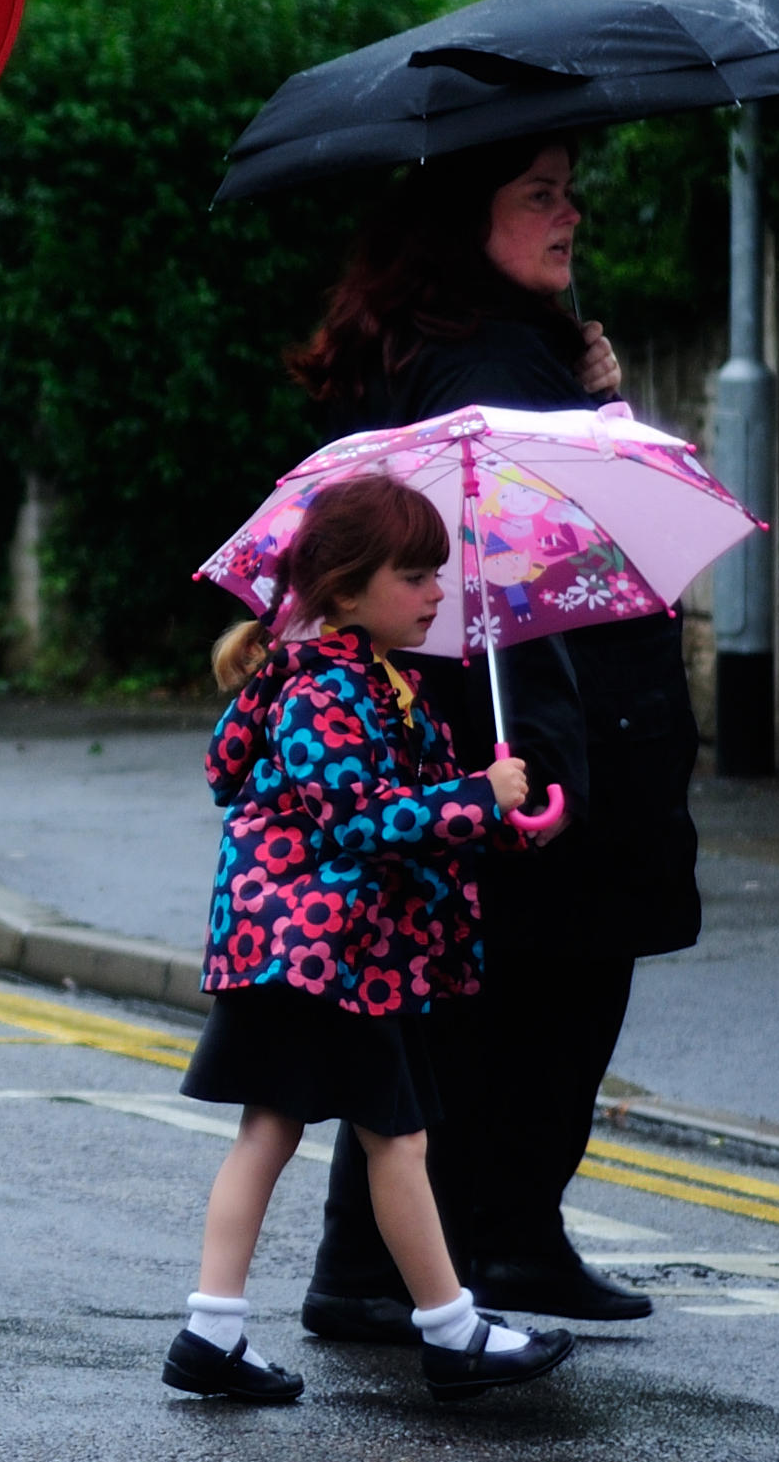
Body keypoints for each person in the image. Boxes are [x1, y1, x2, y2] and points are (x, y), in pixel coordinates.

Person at [285, 138, 703, 1342]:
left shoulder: (497, 348)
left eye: (568, 189)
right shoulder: (480, 366)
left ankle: (479, 1240)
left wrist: (594, 398)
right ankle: (440, 1253)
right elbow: (520, 561)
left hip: (523, 713)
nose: (569, 211)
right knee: (523, 994)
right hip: (529, 722)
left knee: (482, 997)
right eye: (539, 194)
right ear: (470, 222)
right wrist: (545, 762)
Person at [170, 475, 570, 1406]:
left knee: (271, 1131)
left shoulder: (363, 677)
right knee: (396, 1138)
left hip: (307, 952)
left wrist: (488, 812)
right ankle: (453, 1331)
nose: (437, 592)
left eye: (436, 572)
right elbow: (358, 821)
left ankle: (212, 1330)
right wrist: (477, 797)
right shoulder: (327, 688)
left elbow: (387, 808)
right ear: (346, 591)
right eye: (415, 574)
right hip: (324, 954)